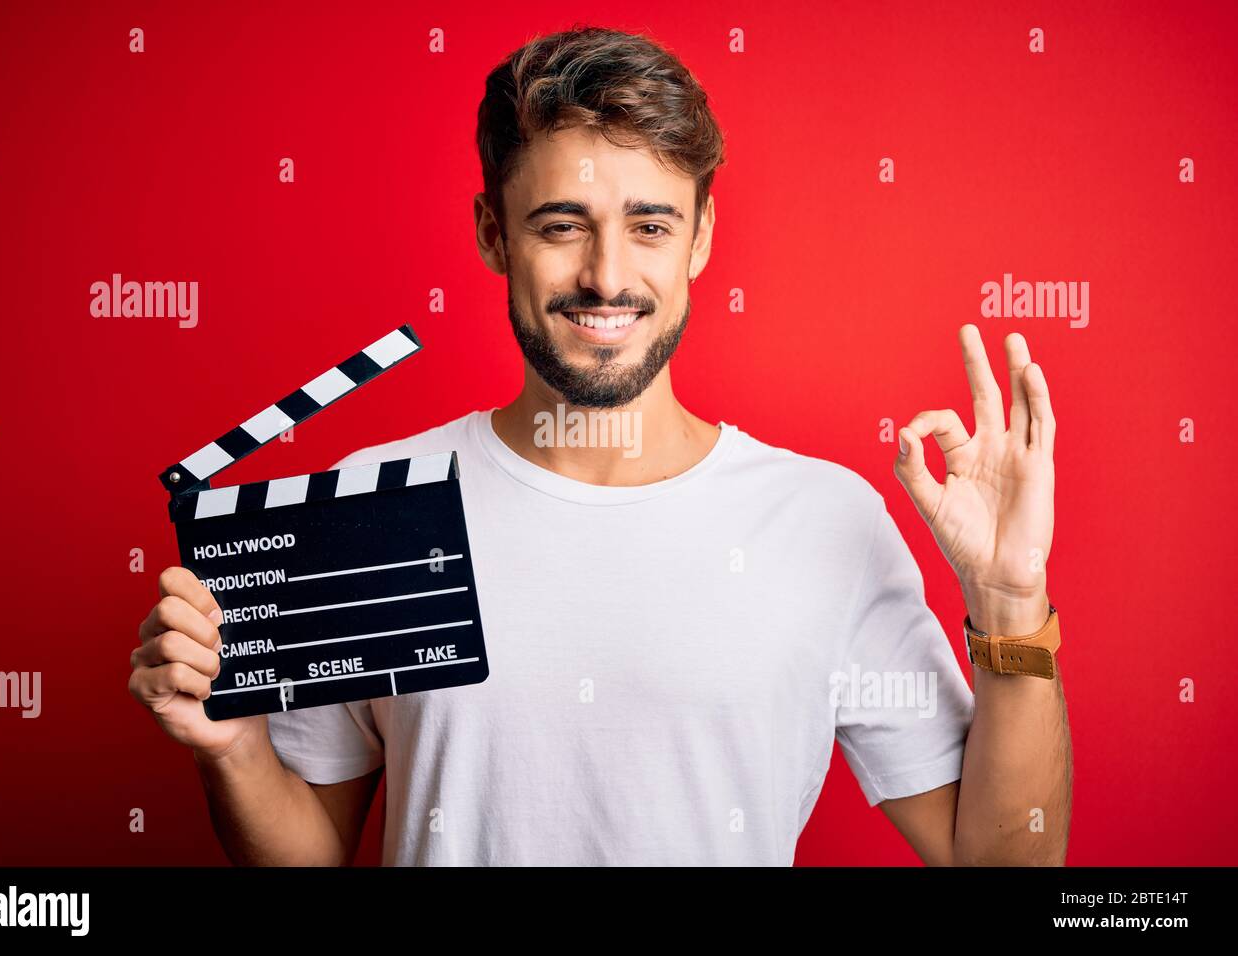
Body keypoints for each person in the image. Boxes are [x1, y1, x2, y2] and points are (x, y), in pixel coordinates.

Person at [129, 25, 1071, 866]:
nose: (607, 277)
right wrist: (235, 747)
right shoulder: (373, 505)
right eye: (561, 226)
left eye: (650, 226)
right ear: (494, 234)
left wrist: (1011, 602)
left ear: (700, 239)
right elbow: (309, 854)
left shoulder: (825, 522)